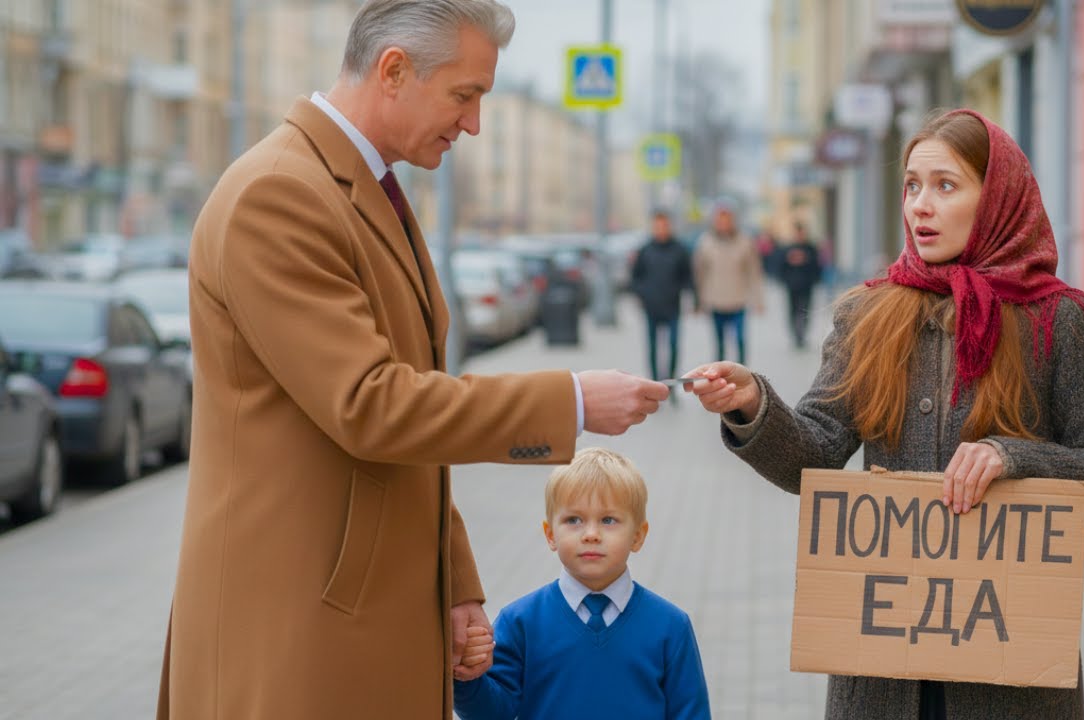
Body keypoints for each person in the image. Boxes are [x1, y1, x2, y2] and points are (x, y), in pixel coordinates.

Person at [157, 2, 669, 718]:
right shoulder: (278, 194)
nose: (473, 124)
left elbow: (412, 415)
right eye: (465, 95)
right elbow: (372, 403)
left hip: (355, 605)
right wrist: (572, 402)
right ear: (393, 70)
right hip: (296, 623)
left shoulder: (362, 187)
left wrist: (453, 583)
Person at [683, 108, 1084, 719]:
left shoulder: (1060, 322)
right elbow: (814, 453)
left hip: (1011, 683)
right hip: (881, 681)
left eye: (946, 186)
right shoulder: (868, 315)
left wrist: (1013, 456)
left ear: (997, 197)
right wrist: (752, 406)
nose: (920, 206)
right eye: (912, 186)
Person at [453, 447, 712, 720]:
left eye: (608, 520)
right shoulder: (520, 623)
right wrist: (468, 677)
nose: (591, 534)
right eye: (573, 520)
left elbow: (691, 713)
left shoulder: (670, 626)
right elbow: (493, 712)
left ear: (637, 536)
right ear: (550, 534)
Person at [693, 204, 763, 364]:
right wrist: (698, 301)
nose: (723, 223)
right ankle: (720, 378)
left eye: (727, 219)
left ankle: (743, 374)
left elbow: (754, 272)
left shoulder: (745, 241)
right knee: (719, 344)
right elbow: (699, 274)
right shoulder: (705, 242)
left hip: (738, 300)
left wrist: (758, 300)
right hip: (715, 300)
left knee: (740, 340)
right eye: (720, 219)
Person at [630, 209, 693, 384]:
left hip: (673, 306)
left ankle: (671, 382)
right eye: (657, 226)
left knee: (673, 346)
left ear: (669, 226)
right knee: (652, 347)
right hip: (651, 307)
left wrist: (689, 296)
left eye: (664, 225)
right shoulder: (645, 250)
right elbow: (635, 277)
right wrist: (642, 293)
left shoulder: (679, 249)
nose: (661, 229)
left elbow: (687, 276)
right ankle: (655, 382)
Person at [777, 220, 824, 348]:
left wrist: (807, 261)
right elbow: (780, 266)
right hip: (792, 285)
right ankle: (796, 334)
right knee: (792, 310)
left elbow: (817, 266)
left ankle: (802, 334)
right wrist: (785, 278)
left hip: (807, 285)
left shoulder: (811, 248)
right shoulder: (788, 249)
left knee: (805, 310)